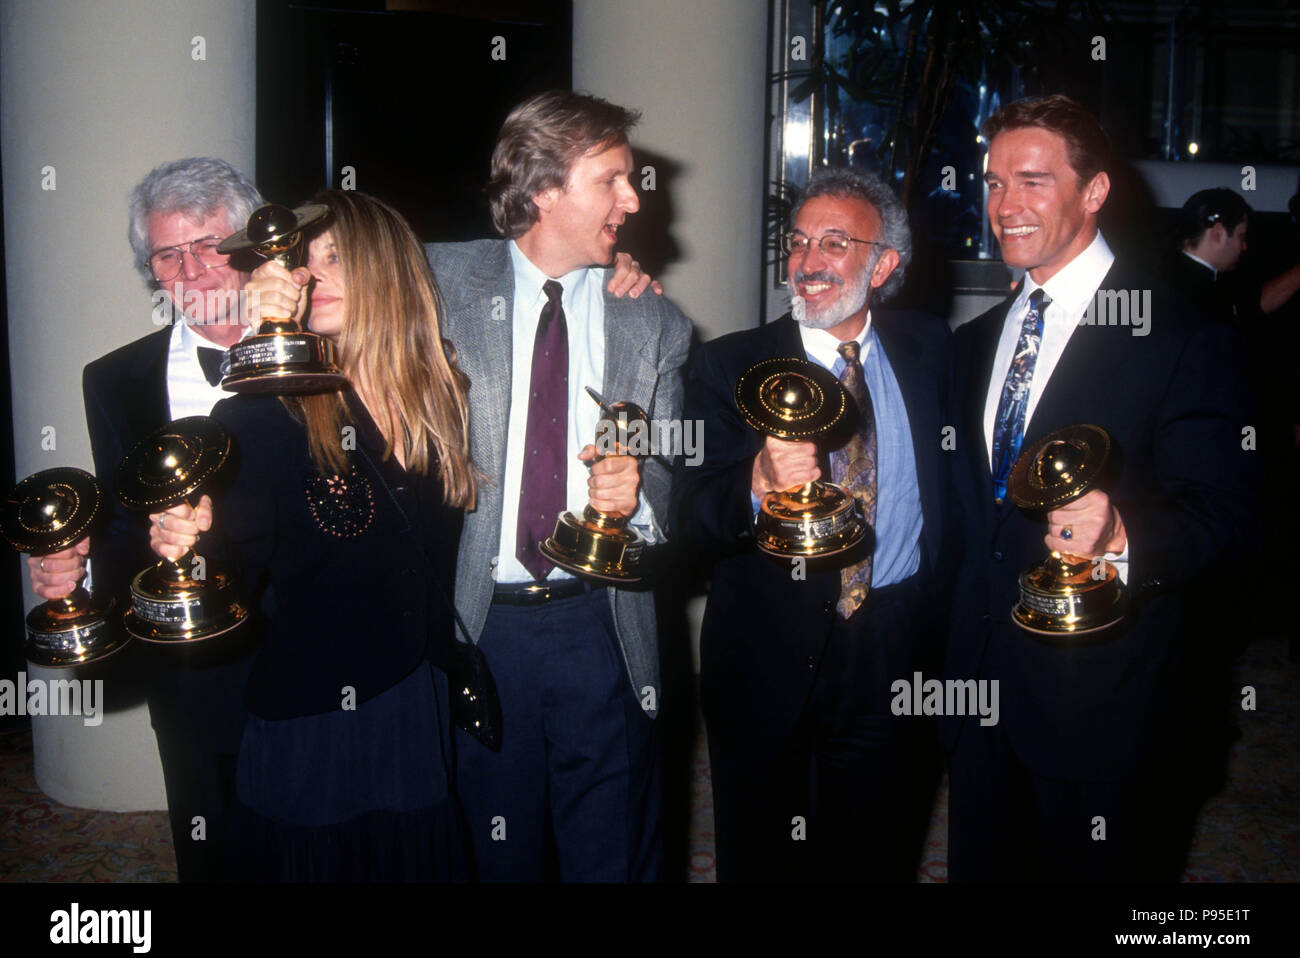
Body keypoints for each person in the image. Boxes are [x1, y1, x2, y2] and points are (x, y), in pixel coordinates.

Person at [944, 95, 1258, 882]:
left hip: (1111, 711)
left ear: (1094, 193)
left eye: (1033, 180)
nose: (1005, 205)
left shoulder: (1182, 333)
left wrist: (1122, 534)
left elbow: (1231, 519)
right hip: (979, 705)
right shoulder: (976, 342)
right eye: (993, 182)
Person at [149, 189, 479, 880]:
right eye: (303, 260)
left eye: (336, 256)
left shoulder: (443, 393)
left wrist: (615, 274)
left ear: (387, 269)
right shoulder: (278, 405)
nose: (311, 275)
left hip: (414, 698)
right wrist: (194, 540)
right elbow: (233, 548)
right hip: (309, 713)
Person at [424, 90, 692, 882]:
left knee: (613, 855)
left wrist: (634, 492)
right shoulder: (435, 281)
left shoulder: (654, 325)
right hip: (476, 626)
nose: (634, 199)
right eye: (611, 179)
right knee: (489, 855)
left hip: (599, 627)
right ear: (543, 189)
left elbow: (666, 478)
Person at [669, 166, 950, 881]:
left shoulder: (933, 351)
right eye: (798, 241)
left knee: (876, 849)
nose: (807, 260)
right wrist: (754, 487)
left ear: (883, 263)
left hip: (894, 650)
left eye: (834, 241)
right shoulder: (729, 364)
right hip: (767, 652)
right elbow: (686, 517)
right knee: (762, 853)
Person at [29, 157, 262, 882]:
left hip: (309, 640)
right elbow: (125, 522)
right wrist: (80, 564)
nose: (192, 271)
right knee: (211, 840)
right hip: (188, 662)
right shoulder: (115, 378)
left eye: (210, 245)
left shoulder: (324, 347)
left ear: (253, 245)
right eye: (168, 253)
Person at [1166, 187, 1252, 328]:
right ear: (1218, 233)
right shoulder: (1206, 299)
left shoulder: (1162, 276)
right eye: (1241, 236)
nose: (1244, 246)